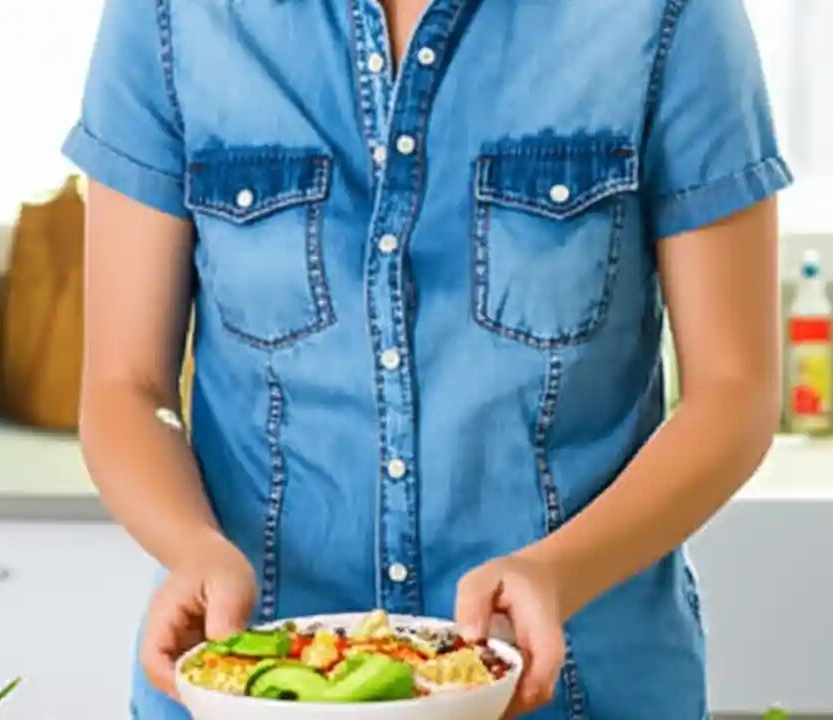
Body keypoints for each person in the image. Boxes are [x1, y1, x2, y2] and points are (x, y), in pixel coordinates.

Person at [63, 0, 791, 717]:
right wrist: (192, 548)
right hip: (246, 693)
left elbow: (735, 391)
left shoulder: (666, 17)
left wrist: (559, 572)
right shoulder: (170, 15)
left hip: (580, 690)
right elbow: (127, 385)